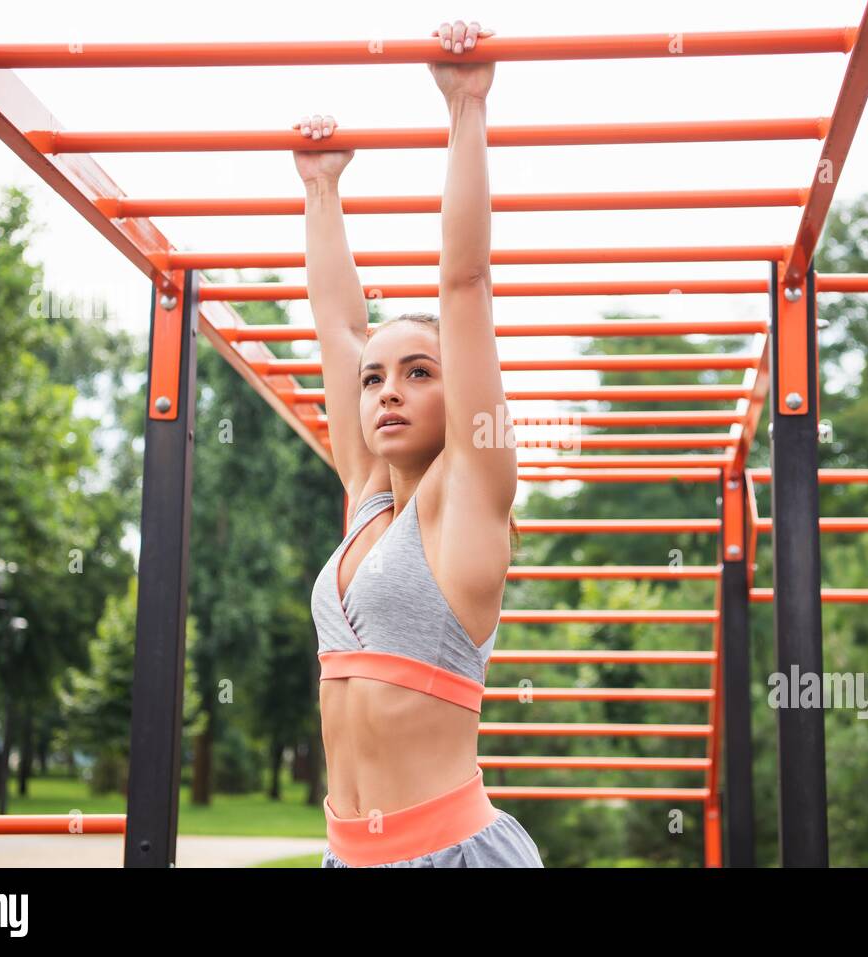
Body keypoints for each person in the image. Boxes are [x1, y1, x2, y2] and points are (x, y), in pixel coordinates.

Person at [293, 19, 543, 868]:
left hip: (452, 855)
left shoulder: (470, 488)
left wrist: (466, 106)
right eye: (376, 379)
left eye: (419, 372)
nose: (388, 388)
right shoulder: (366, 498)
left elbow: (464, 284)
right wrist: (321, 190)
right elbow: (337, 325)